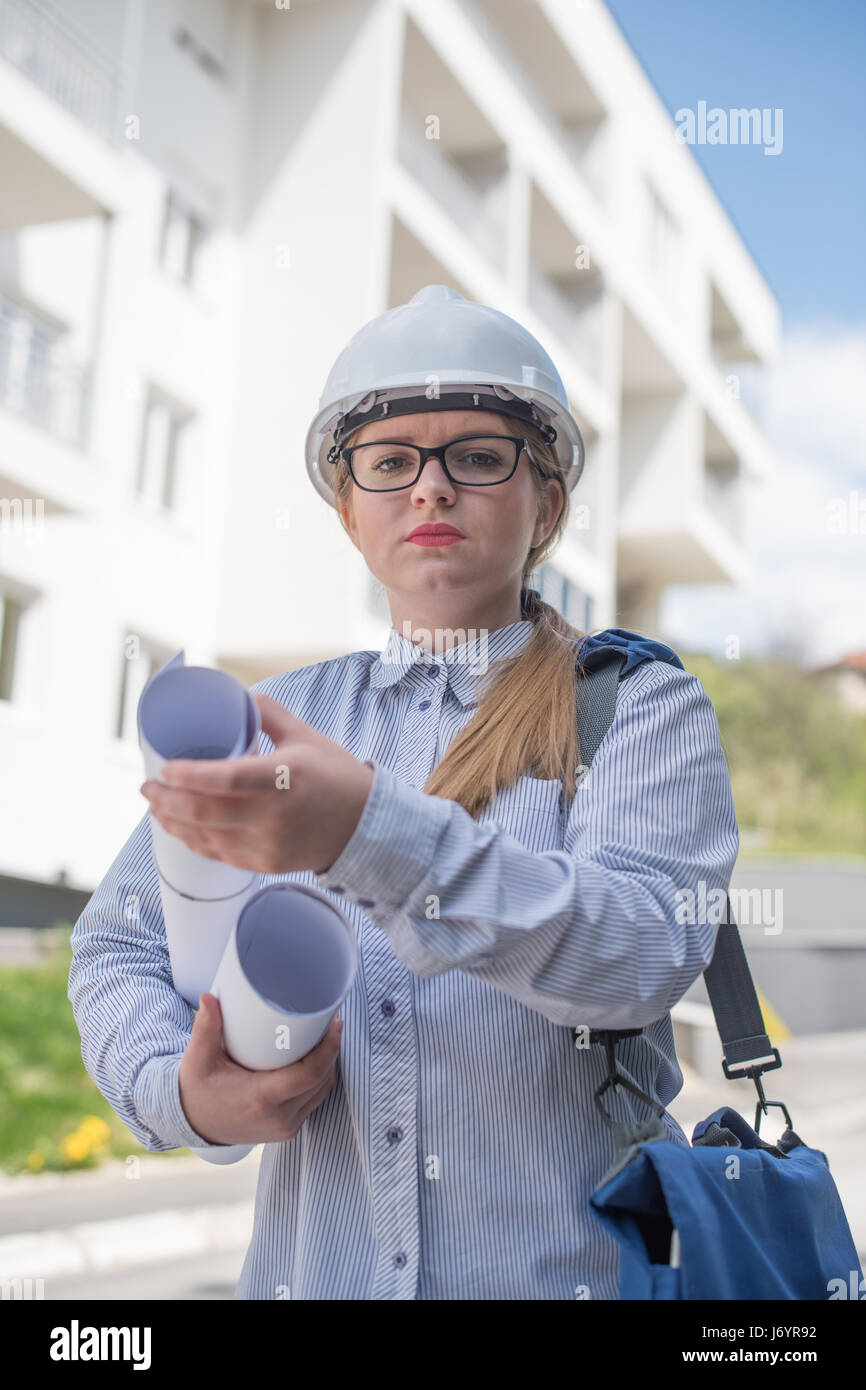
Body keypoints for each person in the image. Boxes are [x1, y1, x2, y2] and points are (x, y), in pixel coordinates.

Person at [68, 284, 739, 1300]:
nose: (430, 490)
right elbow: (120, 939)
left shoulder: (638, 709)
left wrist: (365, 833)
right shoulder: (274, 717)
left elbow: (638, 953)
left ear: (546, 502)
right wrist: (187, 1092)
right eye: (390, 463)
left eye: (478, 455)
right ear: (349, 510)